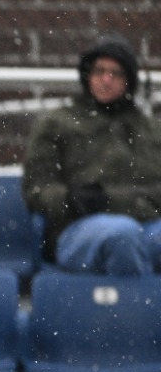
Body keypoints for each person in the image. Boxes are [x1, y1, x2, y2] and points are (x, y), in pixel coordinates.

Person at [22, 34, 161, 276]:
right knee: (122, 236)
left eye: (116, 73)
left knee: (132, 236)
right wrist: (70, 199)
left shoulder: (150, 129)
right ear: (87, 76)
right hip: (79, 230)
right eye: (99, 71)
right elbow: (36, 188)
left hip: (147, 225)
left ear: (129, 81)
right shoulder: (57, 123)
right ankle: (134, 310)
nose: (106, 80)